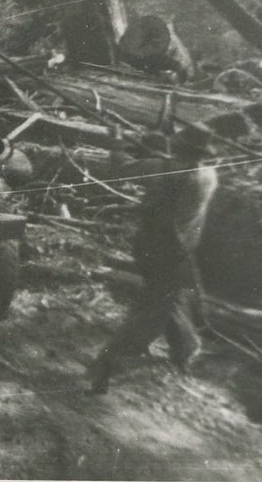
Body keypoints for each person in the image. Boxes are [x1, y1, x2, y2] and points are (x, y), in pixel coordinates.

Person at [88, 122, 220, 394]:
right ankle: (183, 349)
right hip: (179, 249)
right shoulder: (209, 175)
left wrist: (116, 142)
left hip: (153, 246)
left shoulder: (159, 168)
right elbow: (175, 170)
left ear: (178, 145)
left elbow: (121, 168)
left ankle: (109, 362)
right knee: (166, 295)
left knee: (154, 306)